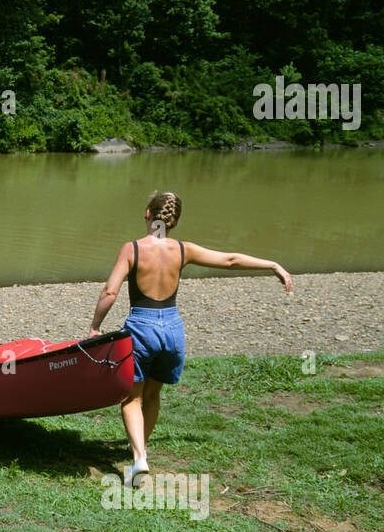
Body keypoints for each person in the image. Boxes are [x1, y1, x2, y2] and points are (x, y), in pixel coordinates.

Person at [87, 192, 292, 487]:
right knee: (153, 395)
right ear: (174, 221)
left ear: (147, 214)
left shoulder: (132, 249)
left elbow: (110, 291)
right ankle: (140, 455)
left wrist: (95, 327)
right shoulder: (183, 250)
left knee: (130, 396)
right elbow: (231, 260)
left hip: (142, 328)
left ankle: (139, 459)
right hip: (172, 329)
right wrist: (273, 264)